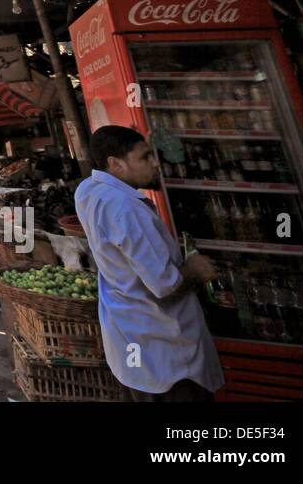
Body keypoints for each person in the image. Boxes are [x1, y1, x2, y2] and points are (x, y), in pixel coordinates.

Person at [74, 125, 223, 402]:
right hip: (166, 354)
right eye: (144, 157)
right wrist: (195, 269)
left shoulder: (88, 190)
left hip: (129, 340)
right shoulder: (125, 208)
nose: (155, 163)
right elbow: (166, 284)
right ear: (115, 165)